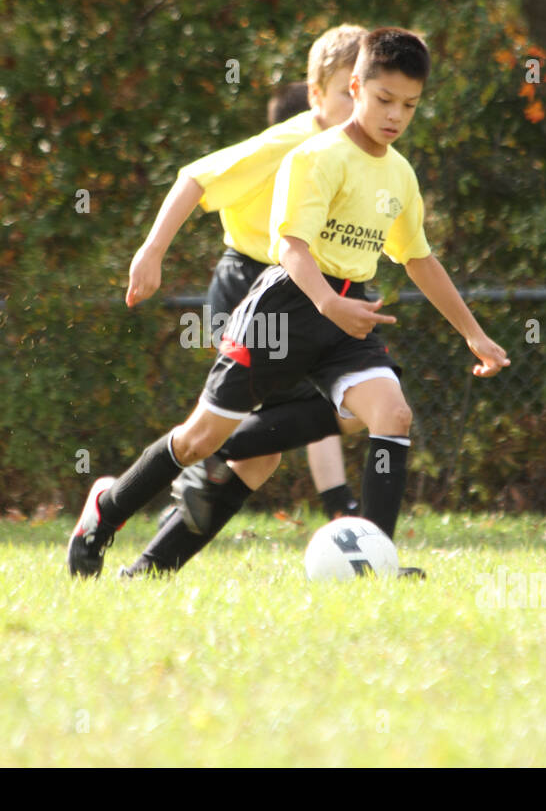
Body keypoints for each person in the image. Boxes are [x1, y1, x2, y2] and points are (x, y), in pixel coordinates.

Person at [71, 28, 510, 579]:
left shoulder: (399, 172)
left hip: (347, 308)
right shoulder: (313, 155)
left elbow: (419, 258)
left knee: (391, 413)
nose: (396, 115)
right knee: (204, 438)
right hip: (286, 306)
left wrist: (473, 333)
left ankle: (379, 564)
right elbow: (290, 249)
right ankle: (105, 516)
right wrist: (328, 305)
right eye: (383, 100)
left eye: (410, 105)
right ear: (354, 87)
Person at [118, 27, 368, 577]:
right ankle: (156, 499)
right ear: (316, 91)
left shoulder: (364, 152)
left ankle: (145, 537)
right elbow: (193, 178)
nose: (361, 104)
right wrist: (152, 251)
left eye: (365, 90)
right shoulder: (288, 143)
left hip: (301, 292)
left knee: (340, 417)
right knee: (259, 445)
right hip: (249, 288)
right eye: (347, 92)